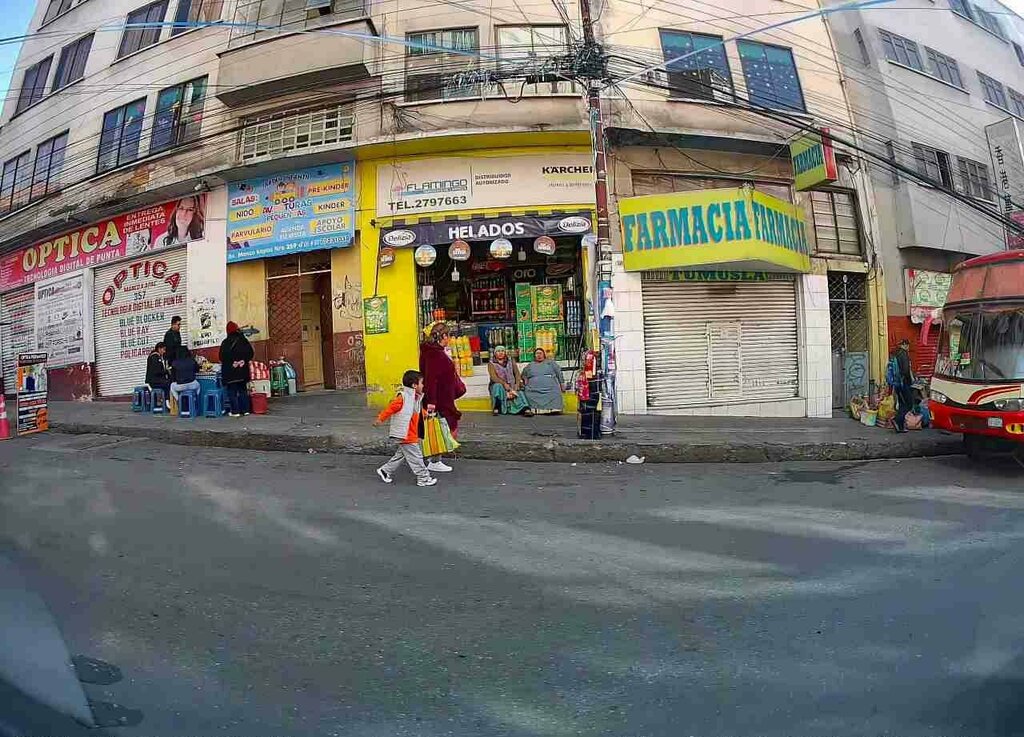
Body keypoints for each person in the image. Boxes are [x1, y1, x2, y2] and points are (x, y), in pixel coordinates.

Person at [373, 370, 437, 487]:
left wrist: (426, 414)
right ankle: (423, 478)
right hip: (406, 435)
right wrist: (380, 419)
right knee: (416, 458)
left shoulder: (415, 398)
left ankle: (385, 470)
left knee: (400, 455)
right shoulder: (403, 398)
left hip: (411, 434)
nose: (423, 385)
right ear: (414, 385)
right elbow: (390, 408)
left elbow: (416, 412)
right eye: (421, 383)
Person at [419, 321, 464, 473]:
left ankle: (431, 459)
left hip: (443, 396)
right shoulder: (434, 354)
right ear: (443, 336)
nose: (450, 339)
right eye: (449, 336)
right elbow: (431, 378)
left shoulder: (434, 351)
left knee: (439, 428)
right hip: (439, 398)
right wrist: (431, 401)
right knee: (440, 429)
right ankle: (433, 460)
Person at [219, 321, 254, 417]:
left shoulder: (225, 342)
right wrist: (243, 360)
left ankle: (235, 412)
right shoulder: (243, 340)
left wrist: (232, 363)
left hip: (231, 372)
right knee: (243, 390)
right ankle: (246, 410)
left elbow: (222, 357)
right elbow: (250, 353)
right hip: (242, 371)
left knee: (232, 392)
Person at [488, 345, 531, 416]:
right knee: (497, 387)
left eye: (502, 351)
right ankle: (497, 407)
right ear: (495, 353)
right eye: (498, 351)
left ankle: (526, 409)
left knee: (519, 391)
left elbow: (517, 373)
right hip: (499, 384)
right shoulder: (491, 363)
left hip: (511, 383)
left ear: (505, 353)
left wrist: (517, 384)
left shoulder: (511, 360)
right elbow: (493, 377)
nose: (500, 353)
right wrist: (504, 384)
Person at [522, 348, 565, 415]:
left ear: (544, 355)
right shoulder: (530, 365)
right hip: (533, 389)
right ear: (534, 355)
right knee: (527, 392)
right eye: (537, 353)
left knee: (555, 392)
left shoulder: (551, 363)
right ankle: (533, 410)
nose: (539, 355)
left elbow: (559, 373)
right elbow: (524, 375)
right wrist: (525, 381)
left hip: (550, 388)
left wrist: (562, 384)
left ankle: (552, 409)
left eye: (540, 353)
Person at [888, 338, 915, 433]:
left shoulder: (896, 354)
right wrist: (910, 381)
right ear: (905, 345)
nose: (908, 347)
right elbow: (905, 370)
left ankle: (900, 426)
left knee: (902, 403)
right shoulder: (903, 354)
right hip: (904, 383)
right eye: (908, 345)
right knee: (909, 404)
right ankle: (897, 419)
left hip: (897, 384)